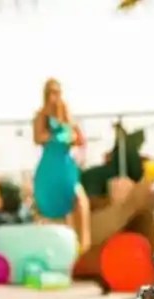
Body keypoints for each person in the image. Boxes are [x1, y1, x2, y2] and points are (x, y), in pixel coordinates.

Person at [32, 78, 91, 253]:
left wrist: (69, 128)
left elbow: (80, 140)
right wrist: (57, 134)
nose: (53, 96)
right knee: (49, 208)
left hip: (66, 166)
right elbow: (37, 138)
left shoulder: (68, 116)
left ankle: (83, 246)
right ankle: (62, 248)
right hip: (50, 166)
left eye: (56, 92)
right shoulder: (41, 116)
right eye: (50, 92)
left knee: (79, 201)